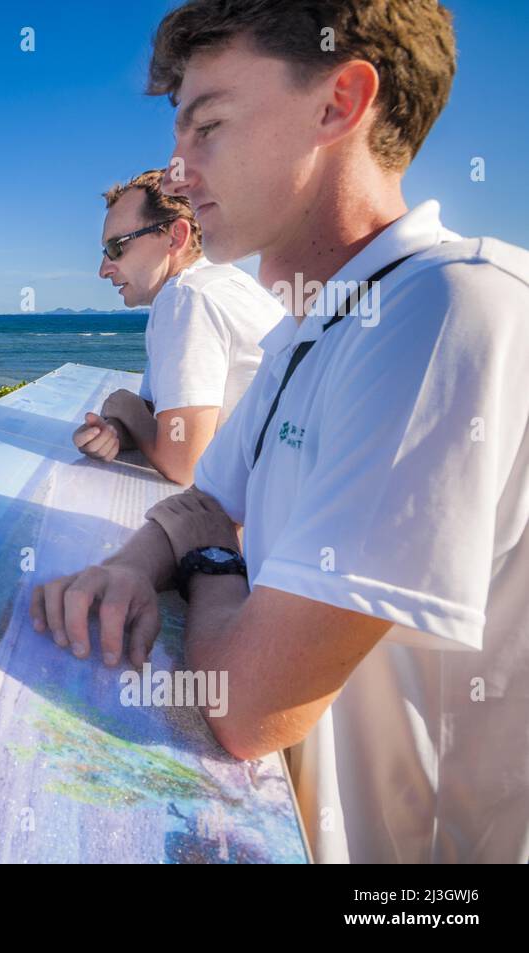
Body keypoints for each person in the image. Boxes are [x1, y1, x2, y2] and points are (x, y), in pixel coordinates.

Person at [34, 0, 529, 863]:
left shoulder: (448, 309)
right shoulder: (309, 330)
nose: (179, 174)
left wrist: (211, 561)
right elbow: (203, 500)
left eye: (210, 126)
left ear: (340, 102)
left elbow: (249, 704)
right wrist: (126, 569)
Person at [75, 169, 282, 485]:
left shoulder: (187, 296)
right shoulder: (223, 284)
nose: (104, 269)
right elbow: (163, 421)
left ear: (175, 237)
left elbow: (186, 464)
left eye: (116, 247)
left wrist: (122, 404)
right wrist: (115, 431)